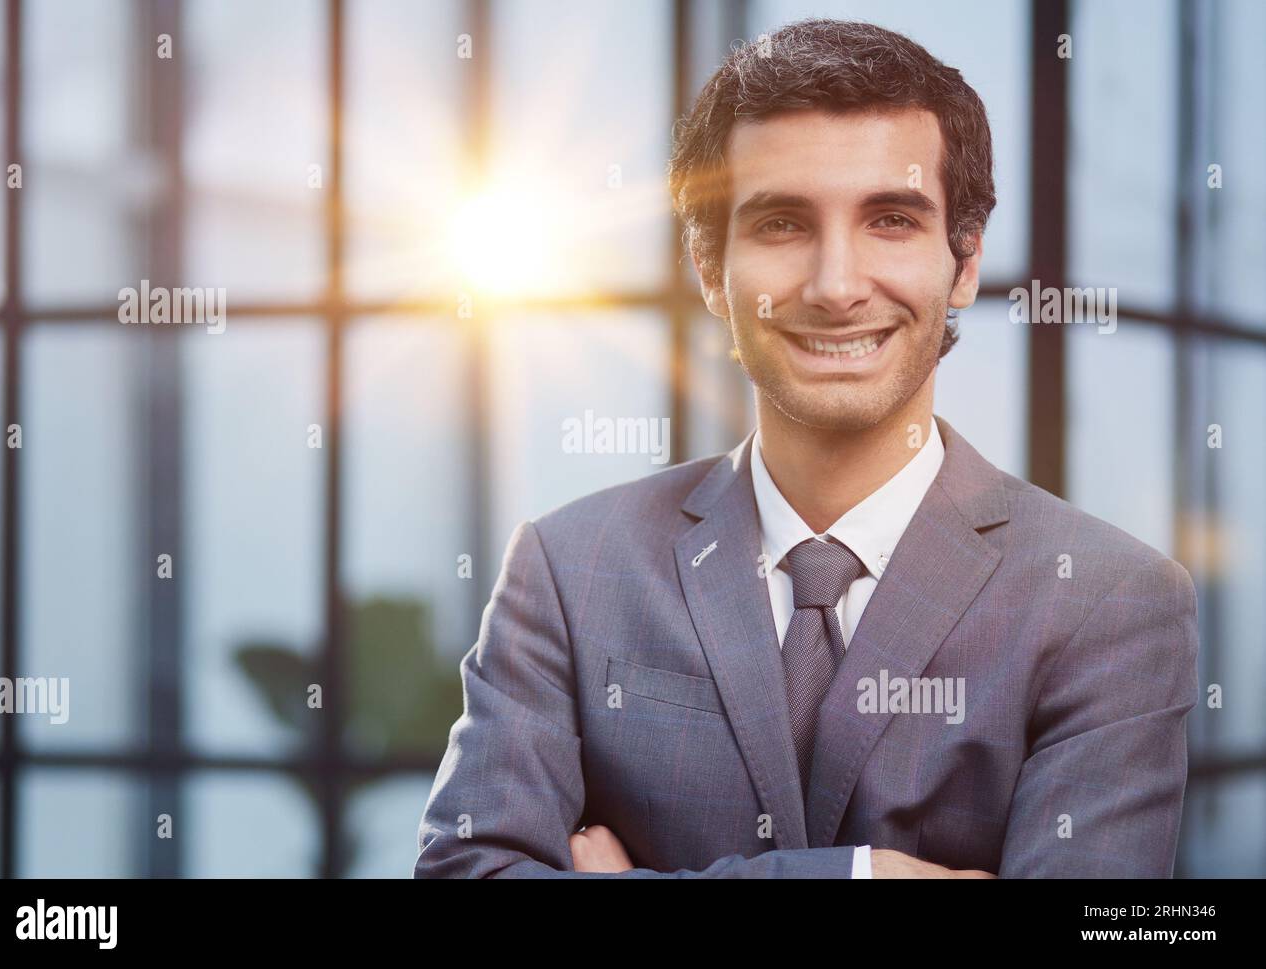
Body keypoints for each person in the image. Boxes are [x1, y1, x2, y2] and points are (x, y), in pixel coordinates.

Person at [414, 18, 1199, 878]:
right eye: (783, 223)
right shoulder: (567, 569)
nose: (835, 286)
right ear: (711, 270)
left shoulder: (1110, 601)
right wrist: (863, 876)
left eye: (891, 219)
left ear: (965, 261)